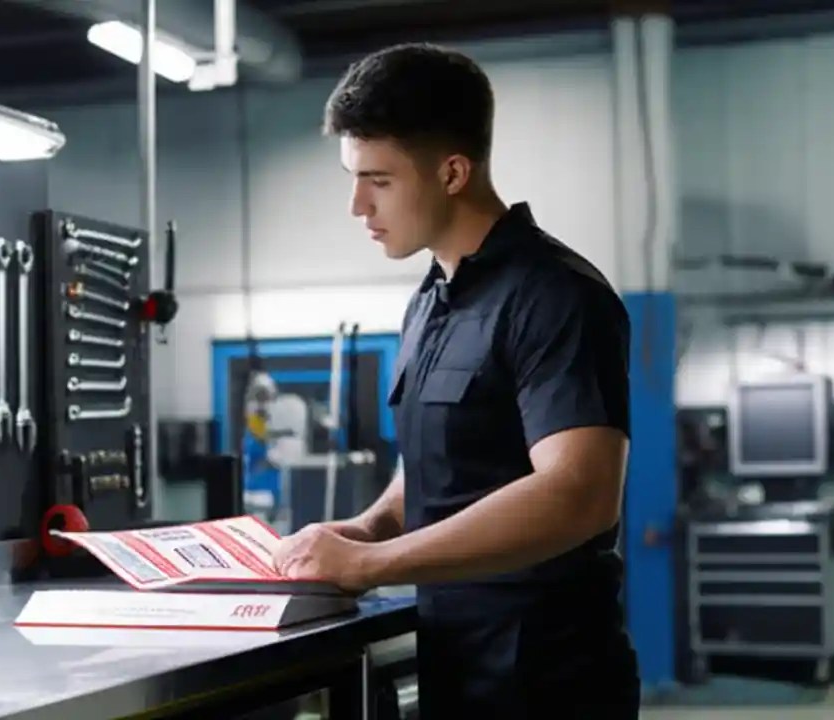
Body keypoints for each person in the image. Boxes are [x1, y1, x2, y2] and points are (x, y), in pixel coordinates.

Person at [271, 43, 640, 717]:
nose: (357, 205)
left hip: (549, 683)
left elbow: (580, 493)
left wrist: (372, 569)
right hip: (456, 671)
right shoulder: (433, 298)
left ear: (452, 173)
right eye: (353, 178)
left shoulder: (555, 295)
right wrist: (369, 528)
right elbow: (449, 460)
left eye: (378, 180)